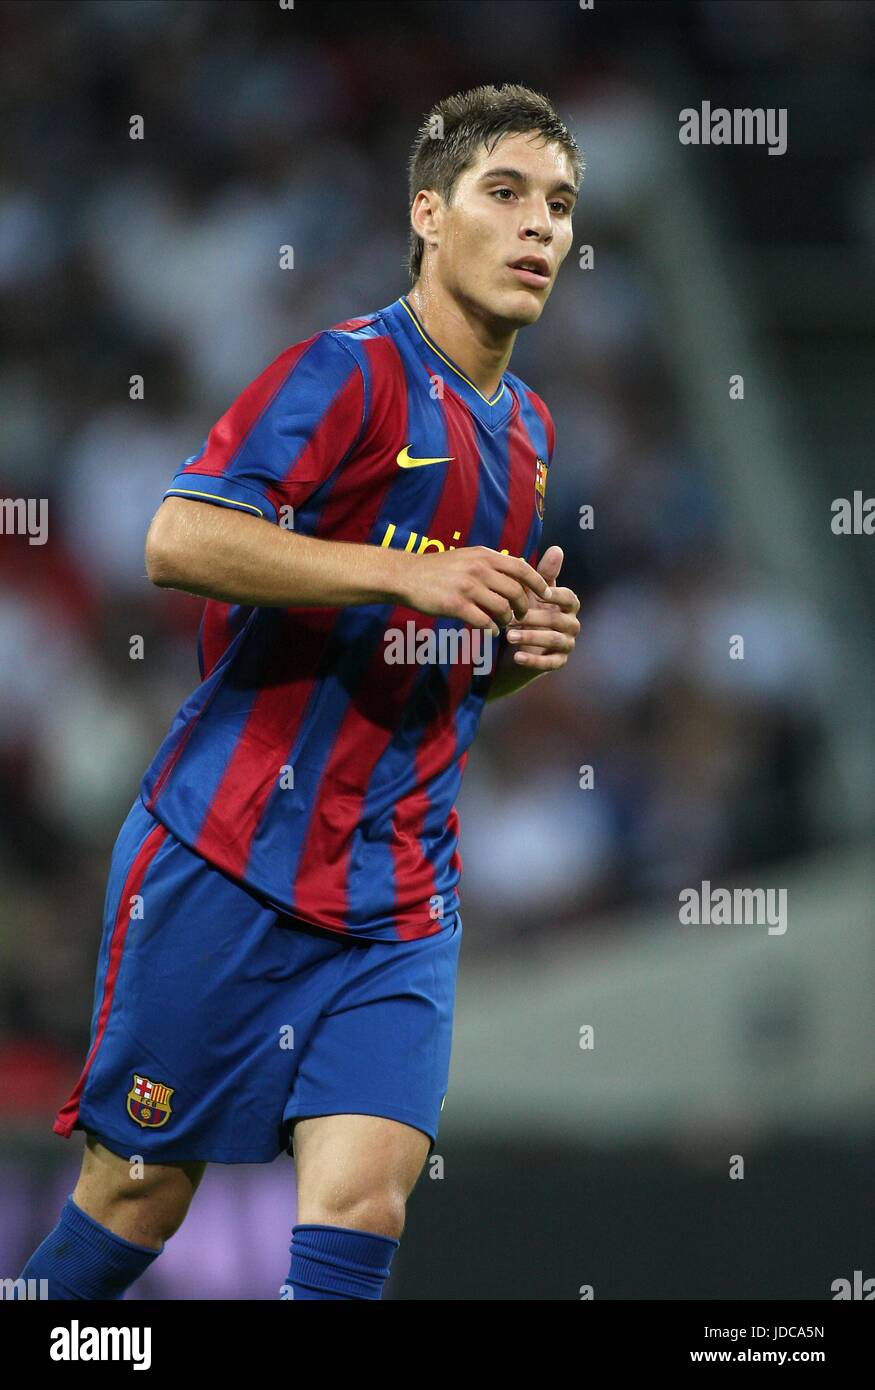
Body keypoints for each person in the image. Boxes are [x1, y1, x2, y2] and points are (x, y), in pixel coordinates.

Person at [21, 82, 582, 1301]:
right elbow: (177, 536)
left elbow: (435, 668)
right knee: (137, 1193)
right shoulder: (345, 375)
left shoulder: (529, 431)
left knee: (361, 1205)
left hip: (399, 893)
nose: (540, 226)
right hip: (232, 858)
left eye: (559, 204)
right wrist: (404, 577)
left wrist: (508, 660)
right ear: (427, 215)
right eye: (505, 194)